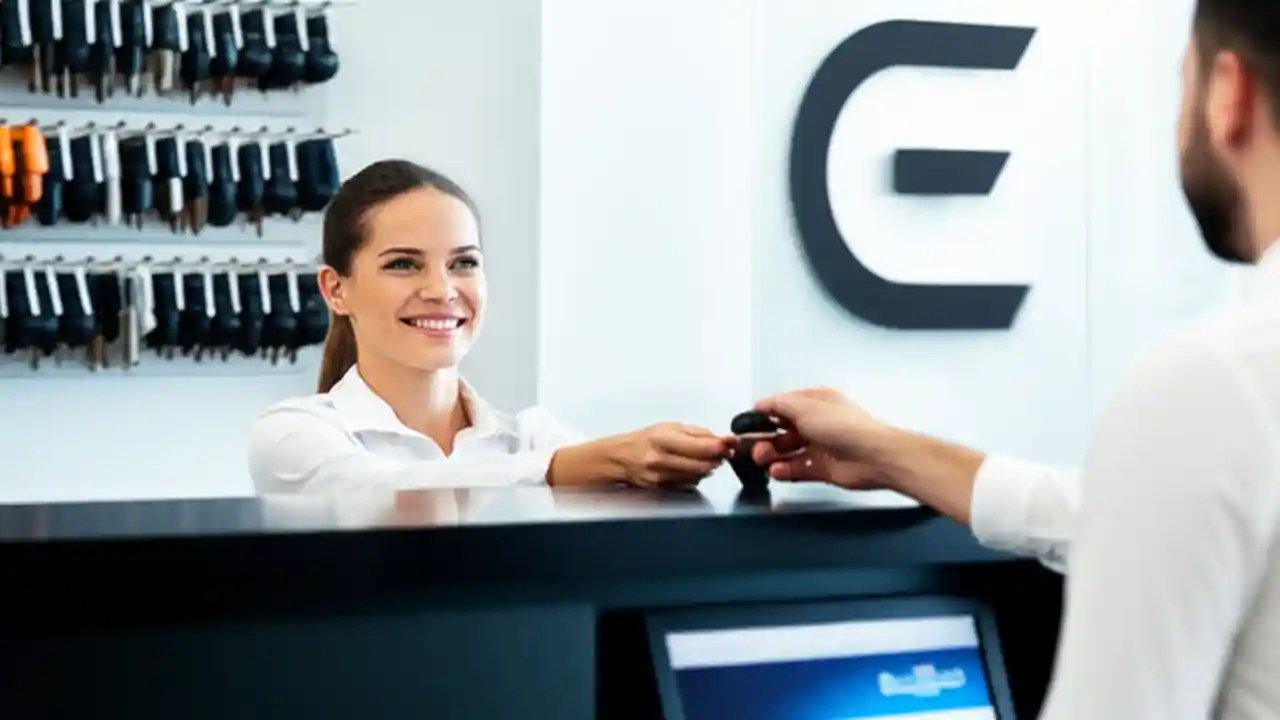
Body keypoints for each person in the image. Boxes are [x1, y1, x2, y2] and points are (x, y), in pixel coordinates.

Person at [753, 1, 1280, 717]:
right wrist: (890, 454)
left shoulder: (1212, 389)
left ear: (1228, 94)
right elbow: (1121, 522)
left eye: (1182, 81)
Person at [249, 160, 735, 494]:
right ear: (336, 290)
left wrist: (726, 455)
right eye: (404, 264)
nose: (441, 290)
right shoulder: (295, 434)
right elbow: (388, 493)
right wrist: (589, 464)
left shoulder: (532, 438)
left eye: (463, 263)